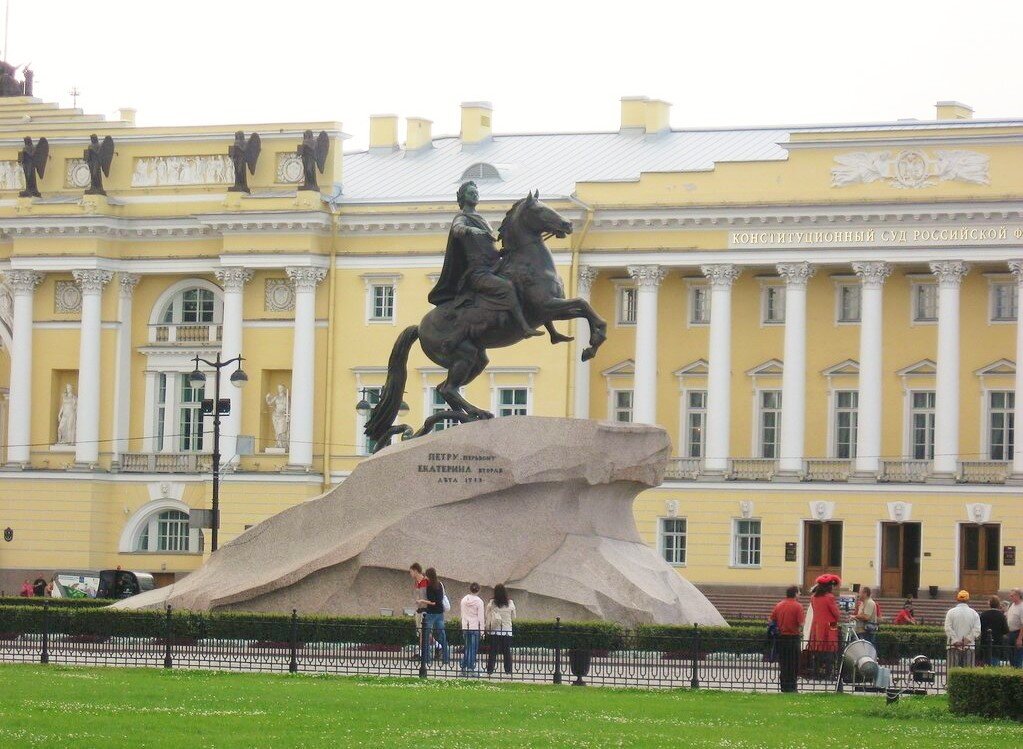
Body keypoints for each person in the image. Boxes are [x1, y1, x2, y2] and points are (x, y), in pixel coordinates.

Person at [428, 180, 543, 339]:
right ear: (462, 197)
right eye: (470, 192)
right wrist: (470, 229)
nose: (475, 194)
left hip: (493, 266)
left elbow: (487, 247)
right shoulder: (462, 218)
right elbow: (457, 229)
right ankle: (524, 327)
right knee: (507, 287)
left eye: (476, 192)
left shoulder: (481, 218)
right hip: (478, 273)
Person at [770, 585, 805, 692]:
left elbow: (772, 620)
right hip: (793, 638)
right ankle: (792, 686)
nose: (800, 594)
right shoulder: (798, 606)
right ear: (795, 593)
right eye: (799, 592)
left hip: (781, 638)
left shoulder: (779, 605)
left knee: (784, 663)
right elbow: (801, 623)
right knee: (794, 663)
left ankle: (784, 686)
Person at [805, 575, 841, 679]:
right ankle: (828, 674)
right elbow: (836, 613)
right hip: (829, 628)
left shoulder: (813, 597)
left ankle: (816, 673)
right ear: (828, 587)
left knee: (817, 652)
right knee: (829, 651)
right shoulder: (829, 597)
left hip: (816, 627)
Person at [416, 567, 449, 666]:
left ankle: (426, 659)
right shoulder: (440, 584)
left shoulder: (429, 586)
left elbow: (433, 602)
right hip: (440, 613)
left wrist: (421, 601)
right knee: (441, 635)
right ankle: (446, 658)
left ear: (428, 576)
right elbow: (439, 600)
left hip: (431, 613)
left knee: (426, 636)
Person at [944, 590, 982, 668]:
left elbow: (948, 628)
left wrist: (955, 641)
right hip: (969, 646)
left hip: (953, 646)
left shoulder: (951, 612)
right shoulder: (974, 613)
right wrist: (966, 640)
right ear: (968, 600)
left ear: (957, 599)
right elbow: (976, 630)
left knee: (952, 670)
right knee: (968, 671)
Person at [485, 583, 516, 675]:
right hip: (507, 630)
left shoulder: (492, 603)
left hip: (495, 630)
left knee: (493, 651)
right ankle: (508, 670)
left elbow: (487, 615)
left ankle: (490, 669)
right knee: (506, 651)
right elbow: (514, 617)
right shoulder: (510, 603)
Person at [460, 582, 485, 673]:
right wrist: (482, 631)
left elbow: (462, 614)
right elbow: (480, 618)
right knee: (473, 648)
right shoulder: (479, 601)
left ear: (470, 589)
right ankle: (470, 666)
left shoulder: (464, 600)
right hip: (475, 627)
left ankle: (463, 665)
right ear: (478, 590)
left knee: (467, 647)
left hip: (466, 626)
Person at [979, 594, 1009, 666]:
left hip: (985, 641)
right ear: (998, 604)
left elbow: (979, 628)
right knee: (995, 661)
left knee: (985, 661)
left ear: (989, 604)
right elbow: (1005, 630)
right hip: (997, 642)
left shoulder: (983, 614)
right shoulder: (1001, 615)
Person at [1005, 587, 1023, 668]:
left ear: (1018, 595)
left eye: (1012, 596)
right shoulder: (1012, 605)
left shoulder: (1021, 607)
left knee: (1017, 657)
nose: (1010, 597)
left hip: (1018, 633)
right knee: (1011, 656)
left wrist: (1020, 638)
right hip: (1010, 633)